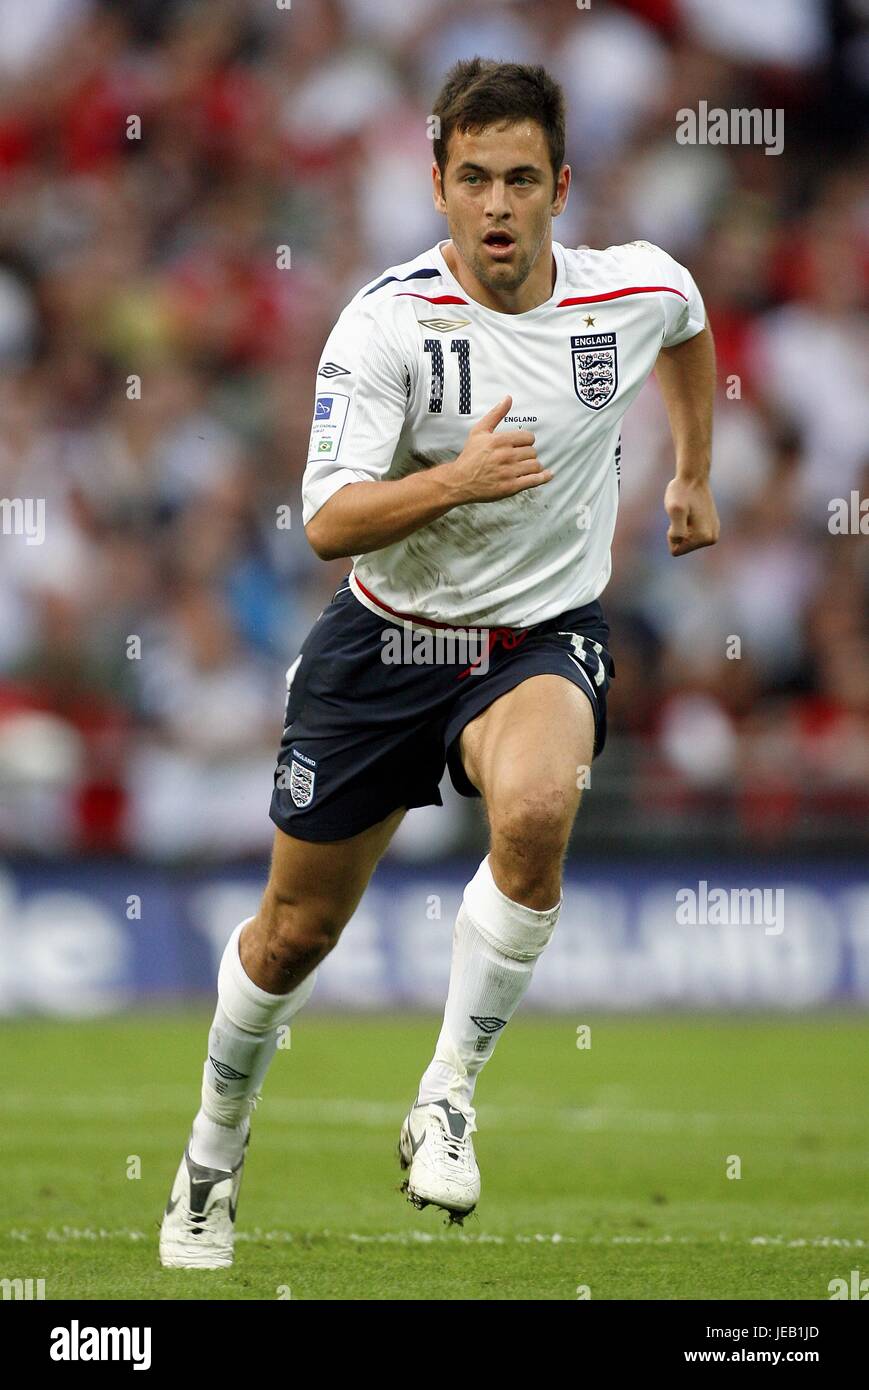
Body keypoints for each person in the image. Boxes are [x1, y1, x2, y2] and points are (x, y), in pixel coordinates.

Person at [160, 57, 719, 1269]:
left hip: (535, 638)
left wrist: (689, 469)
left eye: (522, 178)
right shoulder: (385, 322)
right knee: (289, 937)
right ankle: (212, 1148)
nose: (499, 204)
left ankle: (448, 1093)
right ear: (436, 186)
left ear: (562, 186)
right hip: (385, 641)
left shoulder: (628, 289)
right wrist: (454, 481)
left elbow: (686, 326)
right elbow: (325, 521)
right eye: (474, 178)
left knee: (531, 812)